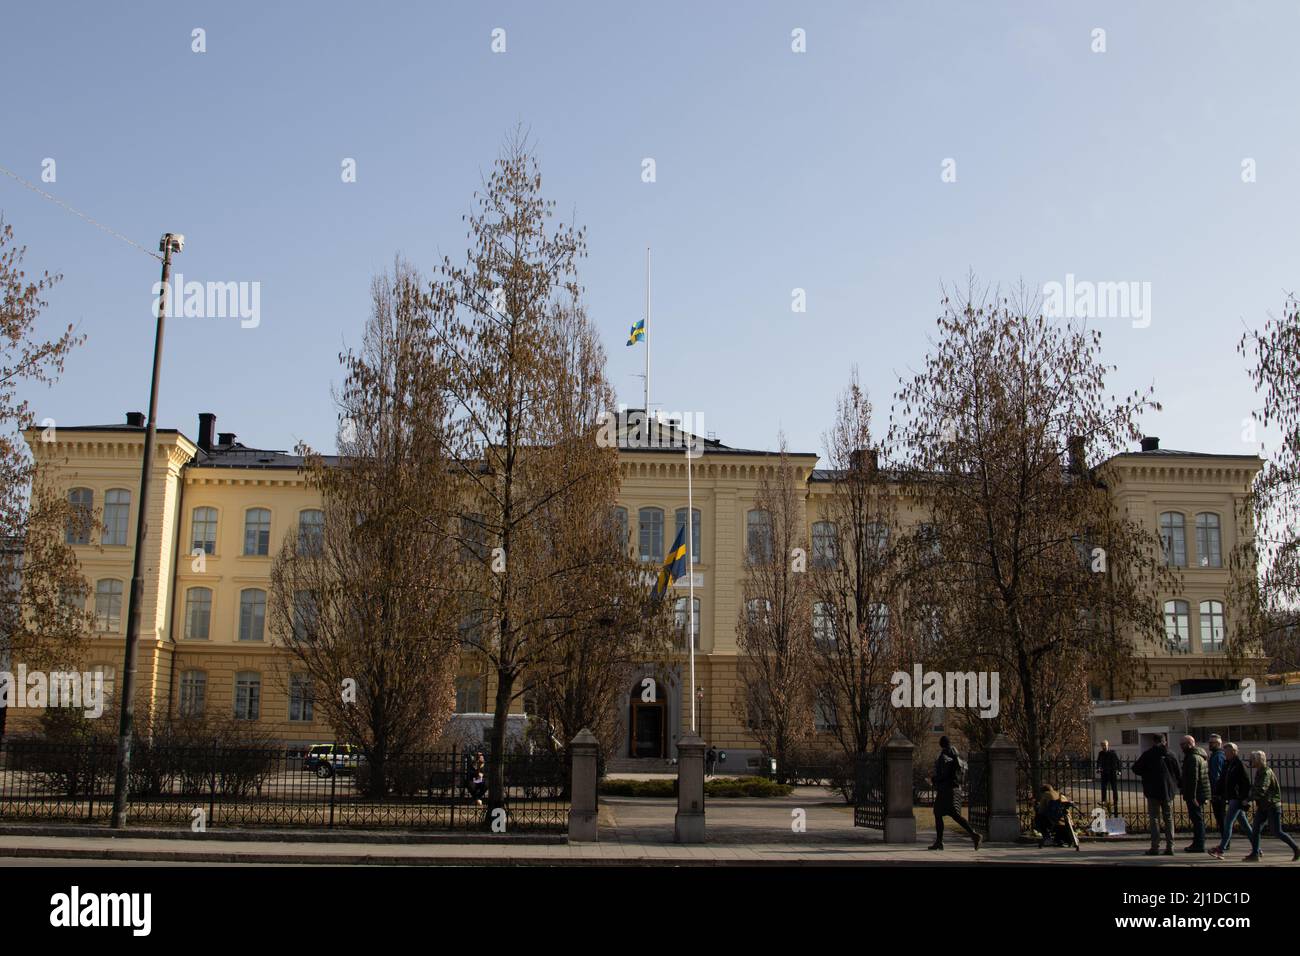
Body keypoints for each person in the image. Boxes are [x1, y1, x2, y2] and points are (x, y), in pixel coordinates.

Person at [1243, 750, 1300, 862]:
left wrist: (1249, 799)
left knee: (1276, 831)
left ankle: (1296, 848)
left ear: (1258, 760)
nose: (1251, 762)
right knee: (1255, 829)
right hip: (1263, 806)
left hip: (1272, 805)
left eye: (1252, 759)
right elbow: (1256, 788)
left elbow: (1262, 789)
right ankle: (1255, 854)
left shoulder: (1266, 772)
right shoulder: (1259, 771)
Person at [927, 736, 982, 851]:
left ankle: (973, 835)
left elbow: (945, 774)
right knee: (947, 814)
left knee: (943, 814)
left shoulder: (946, 754)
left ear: (941, 744)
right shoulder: (955, 754)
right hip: (952, 789)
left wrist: (934, 779)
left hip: (946, 790)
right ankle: (940, 841)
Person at [1131, 733, 1181, 856]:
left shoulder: (1148, 754)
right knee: (1168, 818)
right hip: (1167, 791)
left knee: (1154, 819)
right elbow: (1178, 773)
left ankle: (1155, 846)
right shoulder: (1170, 754)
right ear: (1165, 741)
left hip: (1152, 790)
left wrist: (1147, 774)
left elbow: (1136, 768)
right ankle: (1170, 846)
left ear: (1154, 742)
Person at [1208, 742, 1252, 859]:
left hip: (1236, 799)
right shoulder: (1228, 764)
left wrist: (1244, 797)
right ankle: (1257, 847)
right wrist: (1217, 793)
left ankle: (1221, 849)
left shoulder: (1239, 765)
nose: (1225, 754)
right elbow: (1223, 781)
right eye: (1224, 751)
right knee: (1245, 826)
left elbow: (1246, 783)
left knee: (1228, 823)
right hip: (1231, 797)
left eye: (1227, 752)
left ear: (1233, 752)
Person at [1179, 735, 1210, 853]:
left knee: (1197, 819)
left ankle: (1199, 843)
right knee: (1197, 819)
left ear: (1190, 744)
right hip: (1200, 792)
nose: (1181, 747)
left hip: (1196, 794)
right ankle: (1198, 842)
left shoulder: (1193, 758)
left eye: (1183, 745)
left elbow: (1193, 779)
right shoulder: (1200, 756)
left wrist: (1192, 796)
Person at [1206, 734, 1226, 836]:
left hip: (1218, 792)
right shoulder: (1215, 756)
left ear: (1218, 744)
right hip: (1219, 791)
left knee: (1221, 817)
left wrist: (1215, 792)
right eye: (1209, 742)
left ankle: (1225, 841)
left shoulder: (1218, 757)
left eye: (1212, 743)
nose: (1209, 745)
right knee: (1222, 817)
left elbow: (1216, 776)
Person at [1097, 740, 1121, 815]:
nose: (1104, 747)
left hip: (1112, 773)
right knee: (1103, 787)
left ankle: (1115, 802)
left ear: (1108, 745)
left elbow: (1118, 762)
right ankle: (1104, 801)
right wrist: (1098, 768)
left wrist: (1119, 770)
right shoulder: (1100, 754)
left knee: (1114, 788)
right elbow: (1098, 762)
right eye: (1102, 745)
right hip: (1104, 773)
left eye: (1105, 745)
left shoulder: (1112, 753)